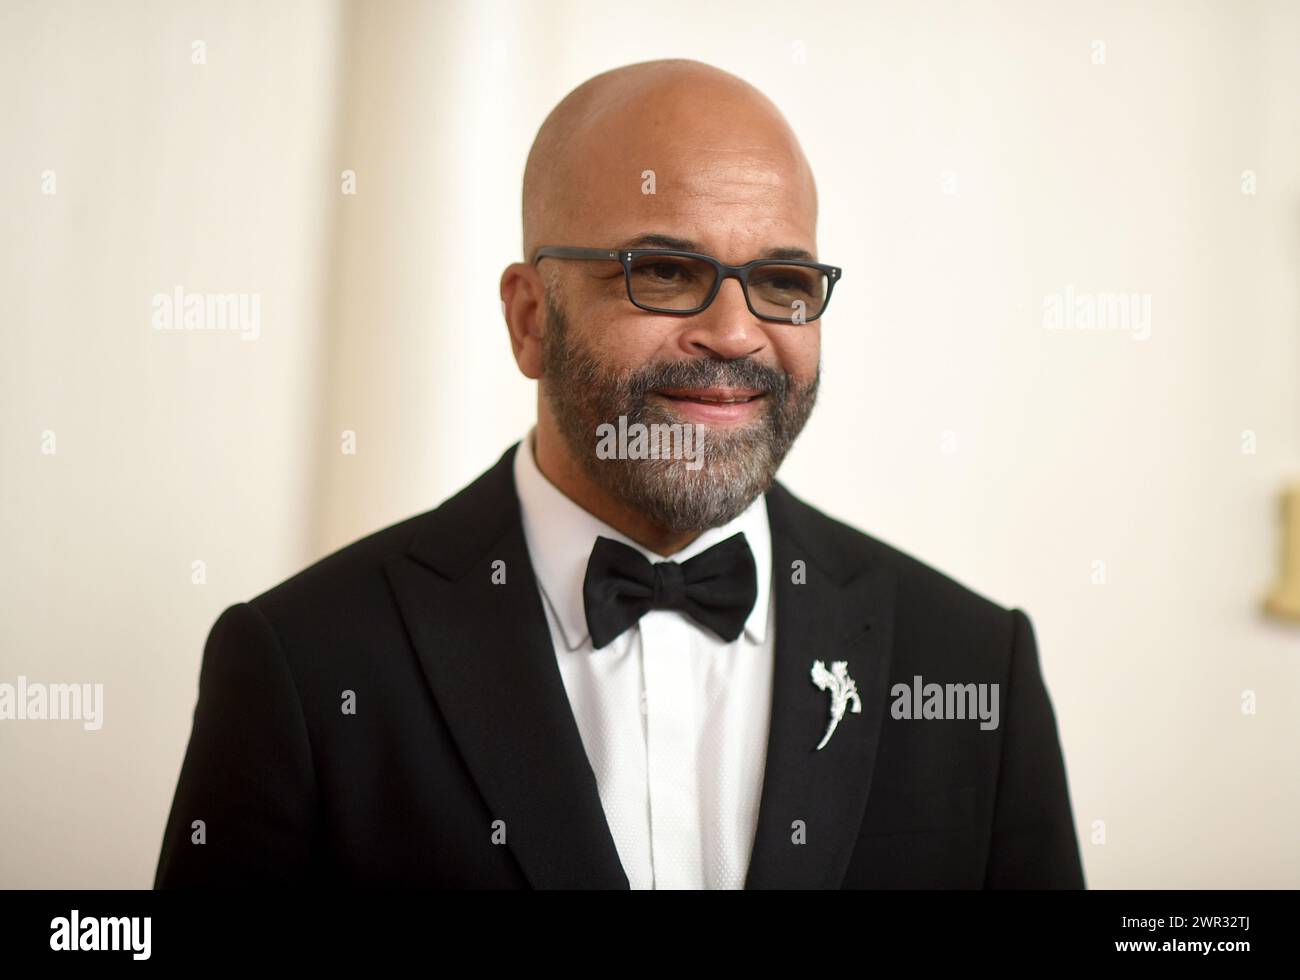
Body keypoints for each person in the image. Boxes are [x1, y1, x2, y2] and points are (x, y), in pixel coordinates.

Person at [155, 58, 1084, 889]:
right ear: (529, 319)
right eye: (667, 271)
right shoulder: (303, 664)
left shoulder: (973, 665)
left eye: (784, 284)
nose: (733, 332)